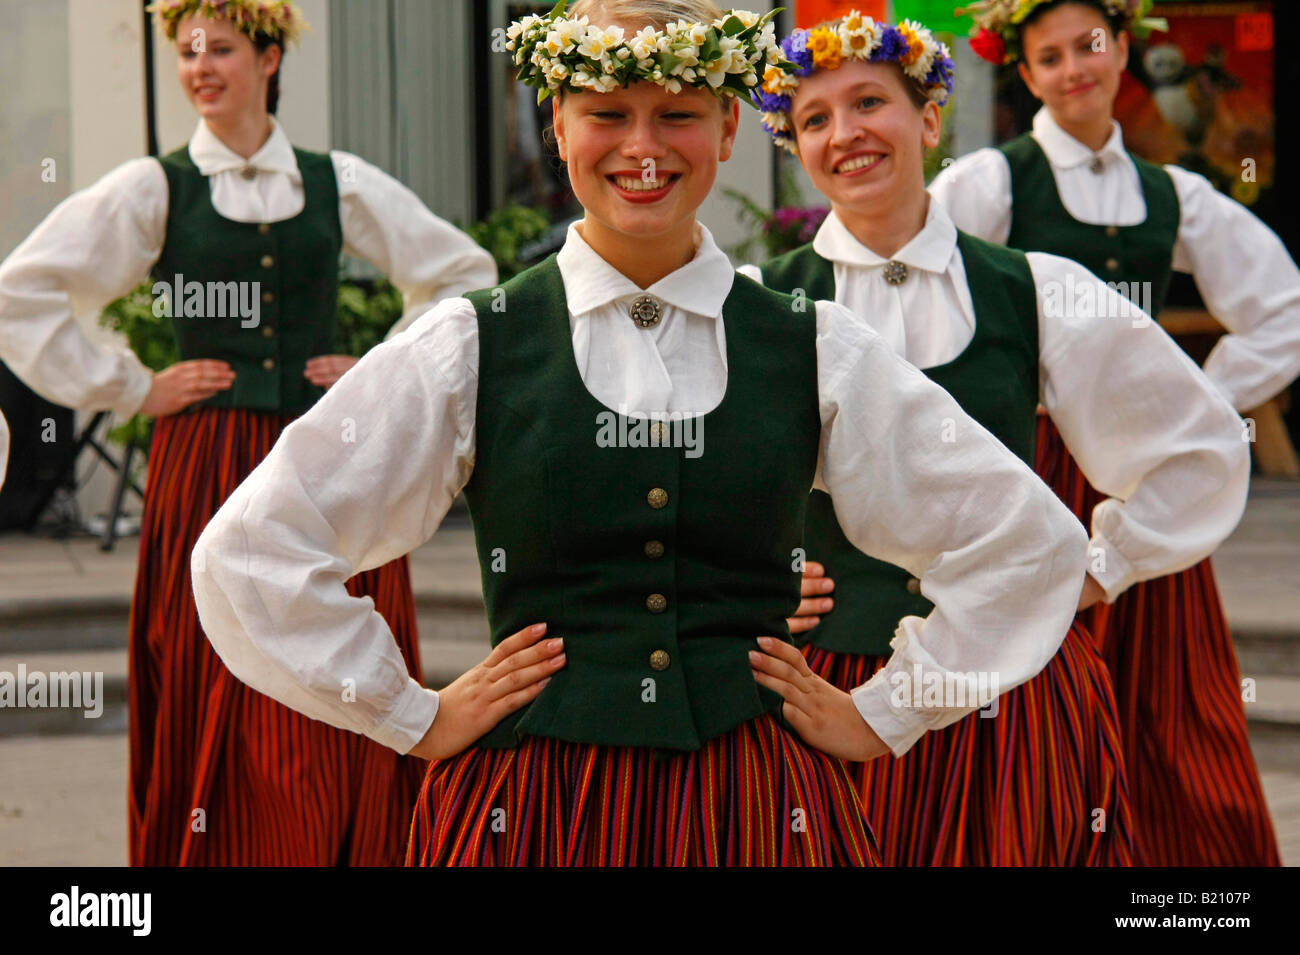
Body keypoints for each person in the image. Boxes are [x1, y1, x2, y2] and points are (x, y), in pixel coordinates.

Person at [192, 0, 1089, 867]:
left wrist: (885, 712)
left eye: (679, 114)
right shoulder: (472, 341)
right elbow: (253, 550)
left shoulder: (812, 343)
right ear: (556, 123)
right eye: (608, 113)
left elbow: (1027, 541)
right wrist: (408, 712)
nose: (643, 147)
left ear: (730, 129)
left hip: (756, 805)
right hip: (536, 804)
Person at [744, 11, 1248, 866]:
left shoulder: (1036, 289)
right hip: (830, 693)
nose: (846, 133)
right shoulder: (757, 303)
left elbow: (1197, 447)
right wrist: (750, 575)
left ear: (930, 118)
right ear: (794, 146)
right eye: (815, 119)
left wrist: (1097, 570)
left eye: (870, 101)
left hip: (1011, 692)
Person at [0, 0, 497, 865]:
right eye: (187, 52)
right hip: (207, 465)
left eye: (220, 48)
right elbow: (24, 291)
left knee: (337, 659)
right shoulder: (157, 187)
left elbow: (460, 274)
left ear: (269, 59)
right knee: (212, 662)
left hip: (333, 461)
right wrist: (132, 384)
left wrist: (383, 368)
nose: (199, 68)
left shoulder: (334, 178)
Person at [930, 0, 1293, 865]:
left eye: (1088, 46)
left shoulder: (1178, 193)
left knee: (1175, 688)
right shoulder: (991, 181)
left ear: (1124, 48)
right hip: (1038, 465)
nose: (1073, 69)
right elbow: (926, 294)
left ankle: (1188, 885)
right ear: (1025, 77)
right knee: (1035, 682)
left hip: (1143, 471)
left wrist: (1193, 403)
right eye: (1047, 57)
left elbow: (1280, 309)